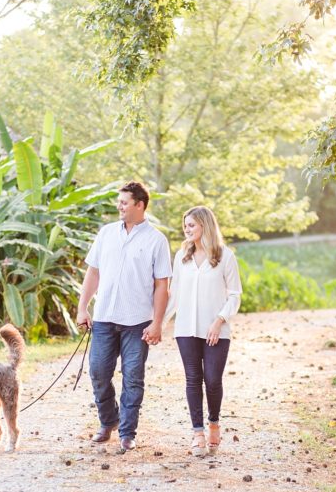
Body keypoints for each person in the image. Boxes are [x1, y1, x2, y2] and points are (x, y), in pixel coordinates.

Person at [76, 181, 172, 452]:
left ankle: (127, 432)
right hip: (104, 317)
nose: (119, 206)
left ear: (140, 205)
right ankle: (109, 421)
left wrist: (157, 323)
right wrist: (82, 308)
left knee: (133, 377)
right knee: (97, 372)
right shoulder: (106, 233)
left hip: (138, 323)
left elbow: (162, 285)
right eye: (119, 202)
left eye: (124, 202)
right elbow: (93, 273)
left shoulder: (156, 240)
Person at [163, 206, 242, 457]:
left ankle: (214, 423)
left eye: (192, 225)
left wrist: (219, 321)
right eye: (185, 225)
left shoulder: (225, 256)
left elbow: (235, 295)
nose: (186, 229)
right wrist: (159, 323)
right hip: (186, 329)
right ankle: (198, 433)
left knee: (213, 380)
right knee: (192, 379)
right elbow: (174, 295)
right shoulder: (181, 257)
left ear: (205, 226)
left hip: (216, 331)